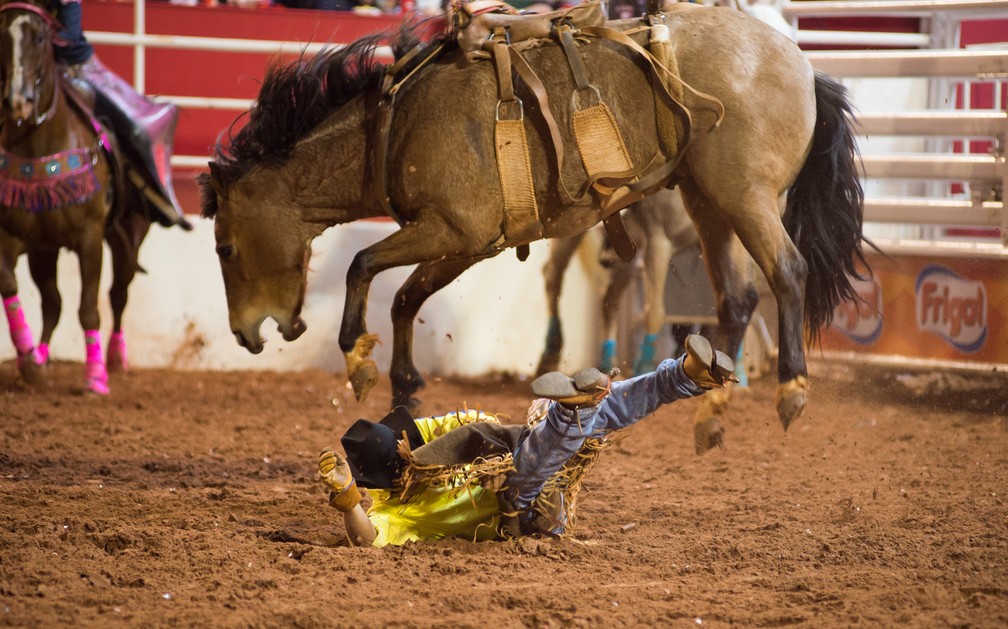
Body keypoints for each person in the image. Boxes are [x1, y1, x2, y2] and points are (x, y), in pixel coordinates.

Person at [319, 334, 736, 547]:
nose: (404, 450)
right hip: (525, 519)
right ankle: (576, 411)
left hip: (525, 467)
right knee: (527, 470)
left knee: (566, 422)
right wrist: (348, 500)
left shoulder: (422, 448)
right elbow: (367, 539)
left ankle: (682, 376)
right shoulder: (396, 512)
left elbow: (467, 428)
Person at [50, 0, 189, 230]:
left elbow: (68, 37)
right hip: (29, 74)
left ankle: (158, 198)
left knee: (138, 129)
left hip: (77, 70)